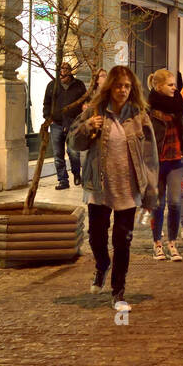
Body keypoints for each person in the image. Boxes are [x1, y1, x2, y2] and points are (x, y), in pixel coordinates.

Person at [69, 65, 158, 312]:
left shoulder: (139, 116)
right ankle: (102, 265)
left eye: (127, 86)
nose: (123, 90)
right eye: (118, 85)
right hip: (99, 188)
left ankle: (118, 292)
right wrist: (88, 127)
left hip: (128, 190)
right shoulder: (95, 111)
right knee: (96, 237)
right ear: (110, 87)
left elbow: (150, 157)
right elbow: (73, 142)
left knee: (122, 241)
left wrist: (151, 192)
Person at [147, 69, 183, 262]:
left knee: (175, 202)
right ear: (158, 87)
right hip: (157, 162)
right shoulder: (149, 108)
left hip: (176, 160)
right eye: (170, 85)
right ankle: (157, 243)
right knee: (158, 204)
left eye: (175, 84)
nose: (174, 88)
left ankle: (172, 243)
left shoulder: (179, 104)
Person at [43, 62, 87, 189]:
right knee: (58, 154)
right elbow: (47, 103)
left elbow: (85, 100)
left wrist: (83, 115)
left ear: (70, 71)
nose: (63, 71)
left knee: (73, 152)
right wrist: (48, 117)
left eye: (66, 69)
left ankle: (76, 173)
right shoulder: (52, 85)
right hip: (56, 124)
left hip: (73, 124)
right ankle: (63, 180)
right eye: (61, 69)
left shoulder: (78, 85)